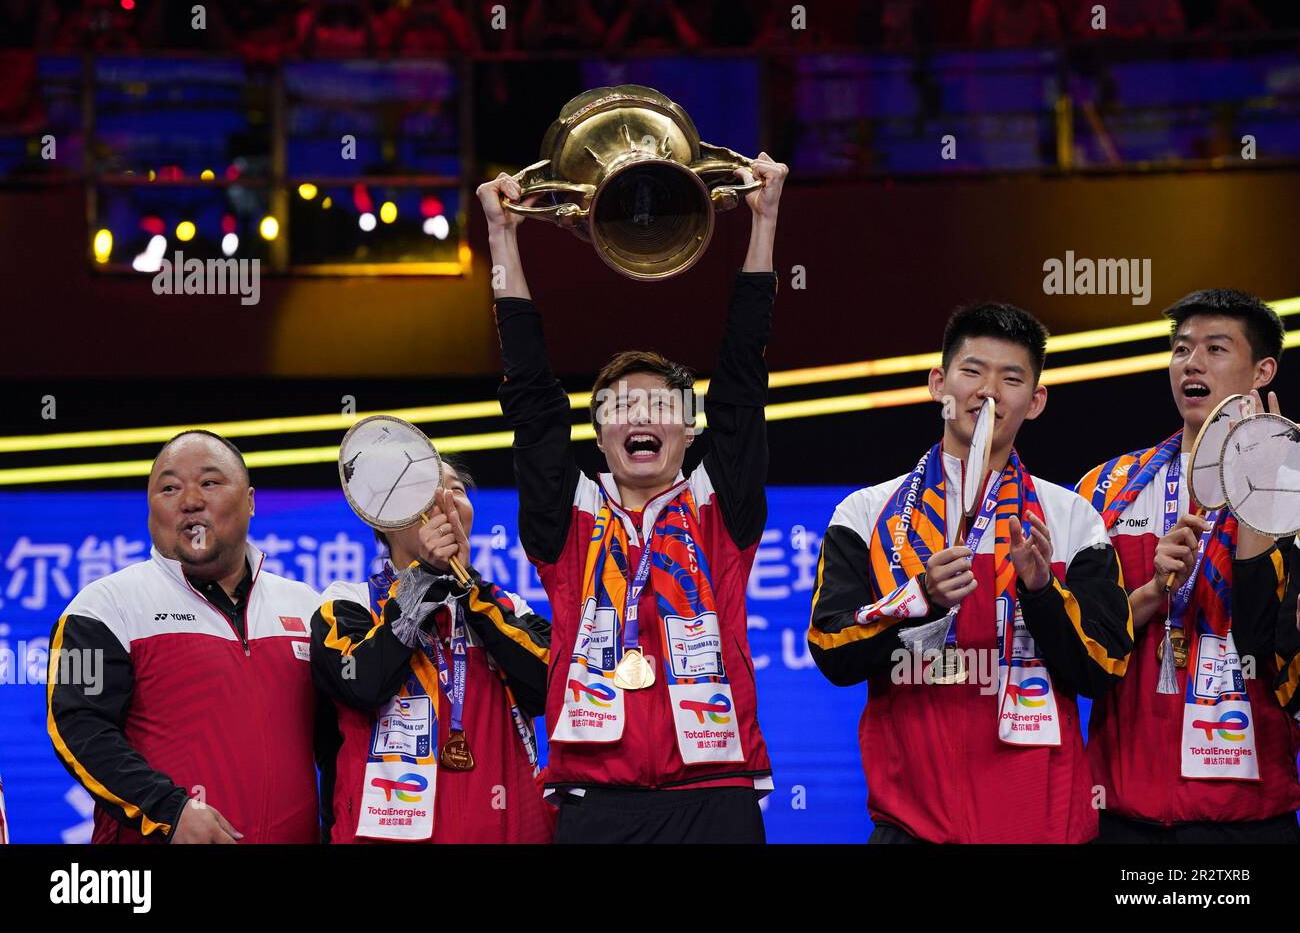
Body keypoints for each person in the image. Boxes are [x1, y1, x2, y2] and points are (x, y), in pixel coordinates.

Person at [477, 149, 788, 843]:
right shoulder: (571, 519)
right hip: (597, 803)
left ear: (687, 427)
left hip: (717, 795)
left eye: (658, 404)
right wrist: (503, 236)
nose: (639, 415)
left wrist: (763, 221)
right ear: (597, 432)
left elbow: (743, 381)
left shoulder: (720, 507)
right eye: (619, 406)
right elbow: (532, 398)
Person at [808, 303, 1134, 843]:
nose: (988, 392)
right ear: (939, 383)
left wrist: (1042, 590)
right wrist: (921, 599)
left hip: (1044, 828)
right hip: (911, 827)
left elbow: (1103, 671)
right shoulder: (866, 514)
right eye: (972, 371)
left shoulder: (1073, 518)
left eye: (1011, 379)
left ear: (1035, 401)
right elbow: (833, 651)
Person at [1076, 289, 1300, 843]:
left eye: (1216, 348)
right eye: (1181, 349)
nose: (1192, 363)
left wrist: (1262, 504)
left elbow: (1278, 654)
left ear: (1263, 369)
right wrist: (1151, 592)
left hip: (1250, 819)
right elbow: (1082, 644)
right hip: (1123, 815)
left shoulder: (1296, 487)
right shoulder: (1106, 491)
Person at [47, 430, 326, 843]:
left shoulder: (307, 607)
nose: (190, 500)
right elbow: (78, 727)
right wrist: (169, 812)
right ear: (149, 510)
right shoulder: (101, 606)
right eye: (169, 488)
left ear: (250, 501)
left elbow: (342, 745)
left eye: (210, 483)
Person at [310, 454, 554, 842]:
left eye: (456, 489)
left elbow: (550, 690)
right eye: (422, 490)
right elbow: (363, 683)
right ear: (384, 520)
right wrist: (422, 579)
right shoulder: (347, 603)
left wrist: (470, 590)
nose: (444, 497)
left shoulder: (508, 607)